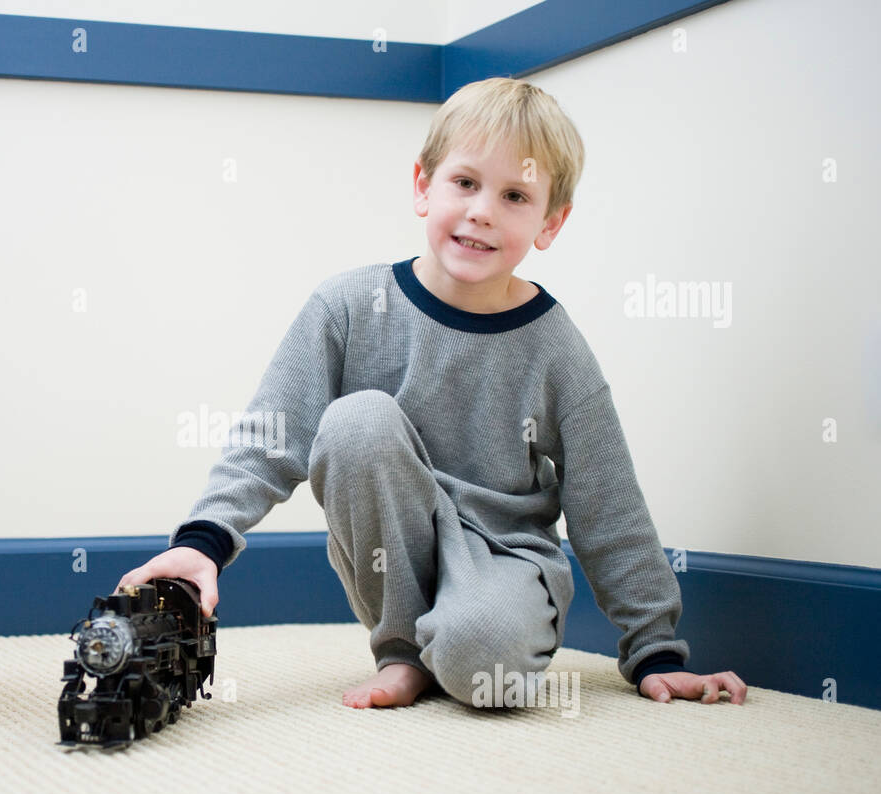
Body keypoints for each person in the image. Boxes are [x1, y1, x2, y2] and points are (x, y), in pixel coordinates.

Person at [119, 77, 747, 710]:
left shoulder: (556, 346)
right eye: (465, 183)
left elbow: (607, 500)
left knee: (482, 671)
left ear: (551, 222)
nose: (482, 211)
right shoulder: (345, 307)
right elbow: (271, 436)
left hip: (507, 558)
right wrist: (201, 542)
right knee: (356, 420)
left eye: (515, 195)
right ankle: (402, 649)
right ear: (424, 185)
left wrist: (654, 650)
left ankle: (453, 642)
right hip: (397, 553)